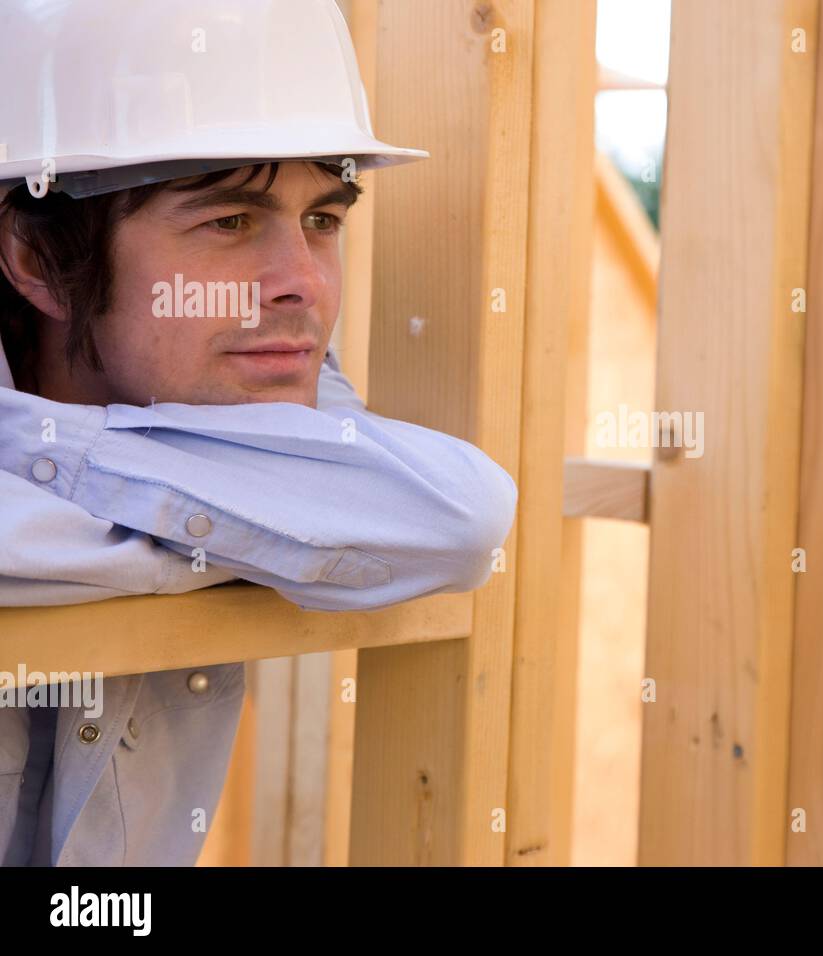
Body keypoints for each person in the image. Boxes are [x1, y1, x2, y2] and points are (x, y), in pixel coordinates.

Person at [0, 0, 517, 865]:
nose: (301, 284)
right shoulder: (250, 428)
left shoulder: (249, 394)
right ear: (35, 257)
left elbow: (453, 518)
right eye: (229, 221)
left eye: (324, 219)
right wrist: (256, 535)